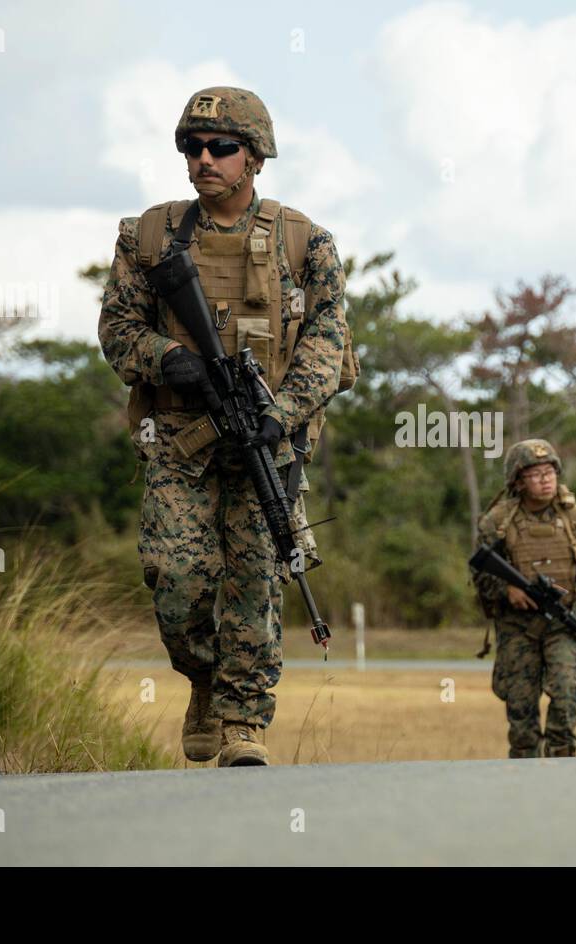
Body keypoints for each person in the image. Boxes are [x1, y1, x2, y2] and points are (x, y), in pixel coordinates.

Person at [97, 87, 350, 767]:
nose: (203, 159)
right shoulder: (148, 236)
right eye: (192, 147)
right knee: (174, 576)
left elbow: (329, 346)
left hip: (266, 440)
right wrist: (169, 358)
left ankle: (245, 723)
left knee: (258, 579)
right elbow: (117, 330)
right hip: (179, 440)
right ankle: (204, 681)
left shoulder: (305, 243)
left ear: (256, 157)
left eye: (221, 147)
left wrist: (281, 412)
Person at [472, 439, 576, 758]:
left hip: (564, 623)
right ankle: (526, 781)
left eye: (550, 472)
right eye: (536, 473)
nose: (546, 479)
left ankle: (562, 764)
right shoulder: (497, 523)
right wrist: (508, 590)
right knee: (521, 715)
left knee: (565, 693)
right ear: (518, 480)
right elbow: (479, 574)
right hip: (518, 629)